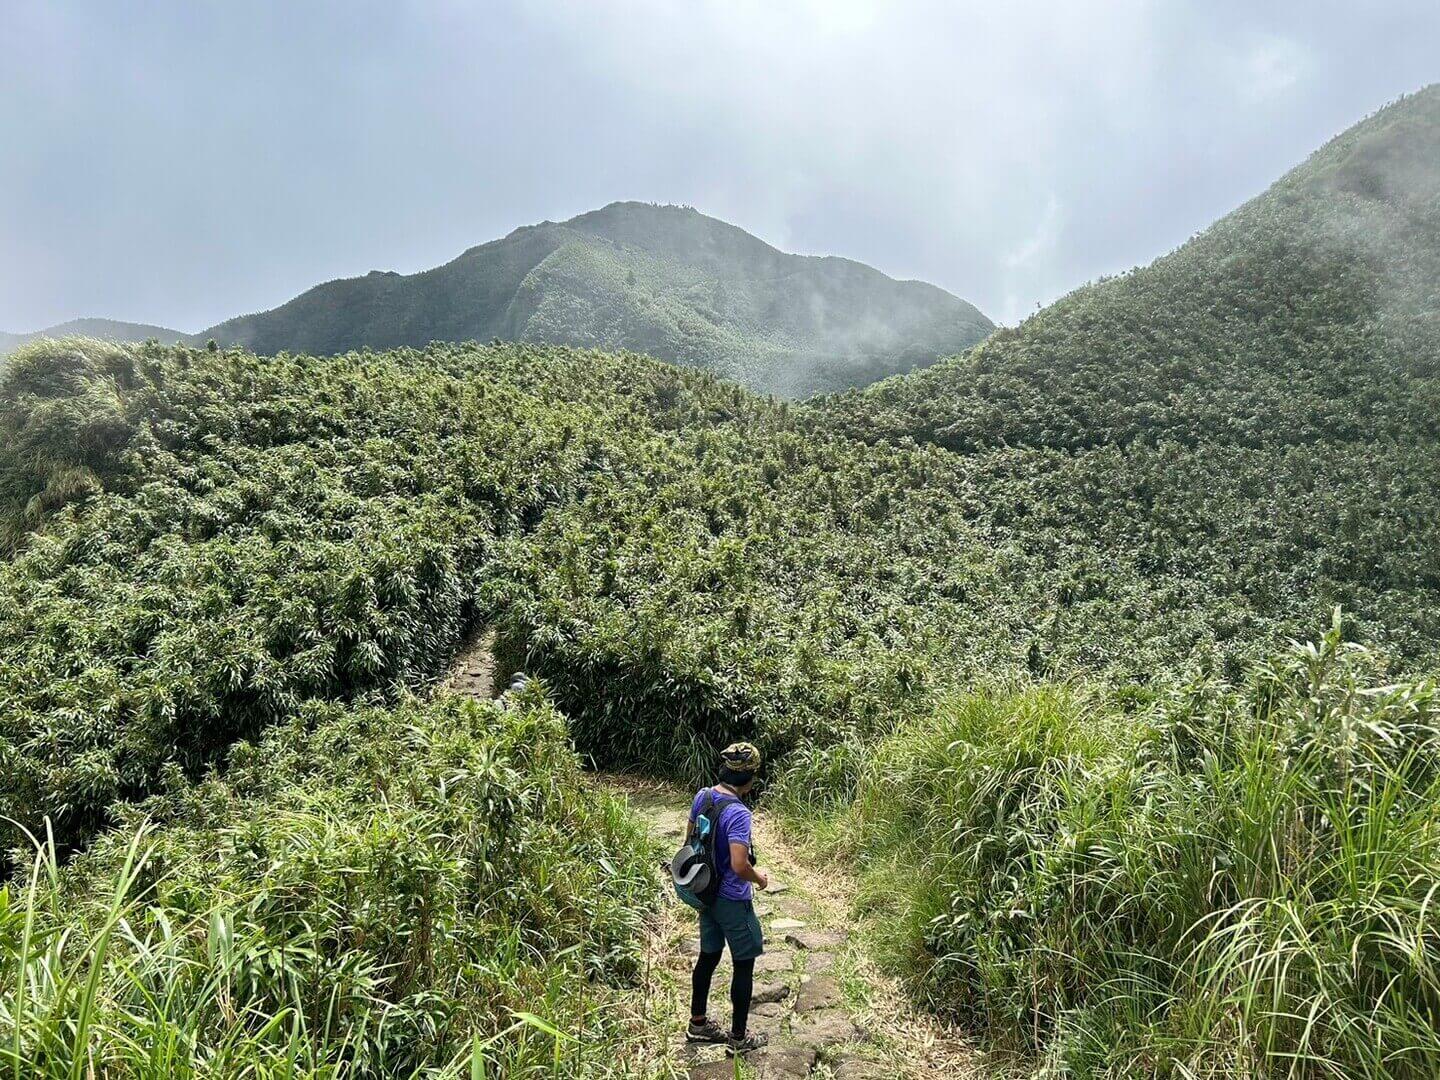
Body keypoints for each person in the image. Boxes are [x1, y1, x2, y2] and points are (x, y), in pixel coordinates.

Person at [684, 741, 770, 1055]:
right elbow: (739, 864)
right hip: (732, 898)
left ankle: (698, 1024)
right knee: (743, 964)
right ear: (749, 779)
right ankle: (738, 1038)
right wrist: (759, 879)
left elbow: (689, 840)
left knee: (708, 956)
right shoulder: (739, 813)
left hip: (705, 893)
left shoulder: (702, 796)